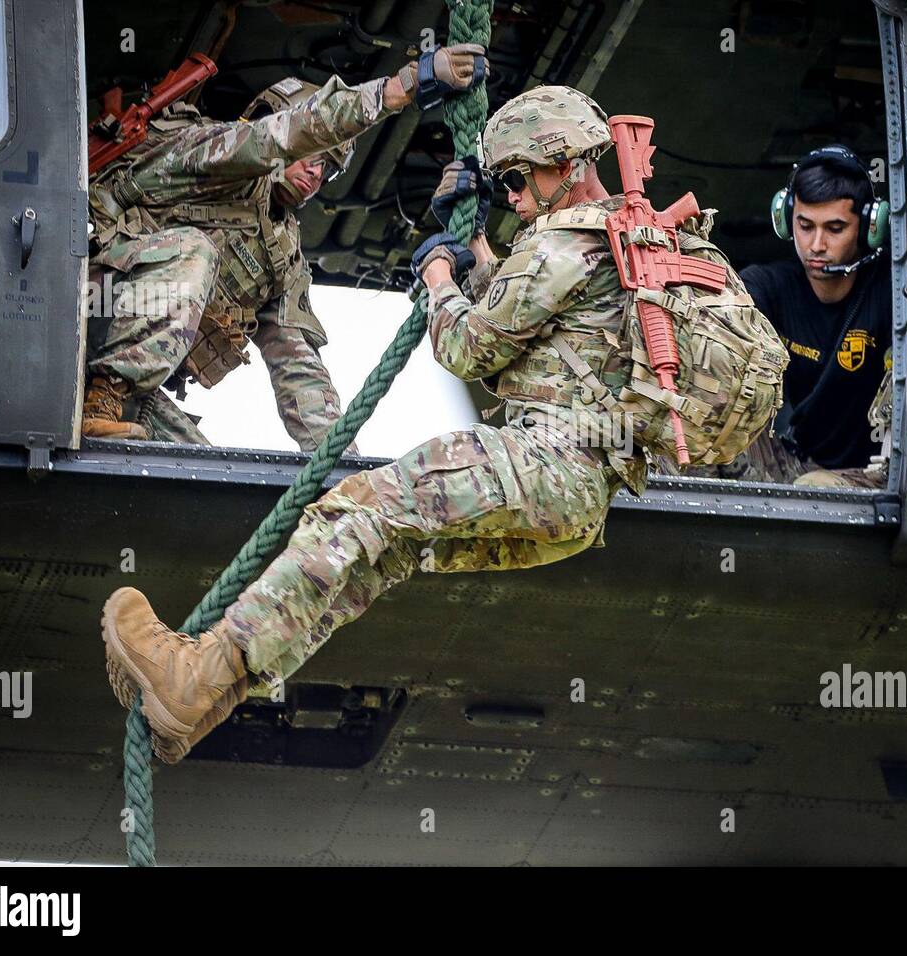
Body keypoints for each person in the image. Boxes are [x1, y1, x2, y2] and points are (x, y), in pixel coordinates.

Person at [99, 86, 770, 764]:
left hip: (545, 462)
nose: (512, 195)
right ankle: (205, 698)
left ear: (561, 163)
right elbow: (535, 337)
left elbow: (468, 351)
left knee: (355, 512)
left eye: (515, 178)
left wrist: (441, 274)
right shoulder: (639, 243)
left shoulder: (567, 241)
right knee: (377, 556)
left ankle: (195, 674)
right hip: (577, 502)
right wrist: (478, 249)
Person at [81, 44, 488, 448]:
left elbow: (298, 368)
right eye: (312, 156)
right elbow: (281, 136)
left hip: (118, 380)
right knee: (196, 250)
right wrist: (402, 87)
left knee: (200, 481)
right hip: (79, 307)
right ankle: (102, 402)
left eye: (328, 169)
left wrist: (339, 471)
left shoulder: (281, 255)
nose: (316, 171)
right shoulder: (217, 155)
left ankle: (104, 402)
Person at [676, 146, 892, 489]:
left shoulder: (890, 297)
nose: (816, 245)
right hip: (792, 457)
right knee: (687, 443)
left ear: (869, 228)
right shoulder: (769, 285)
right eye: (805, 226)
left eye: (835, 229)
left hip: (868, 473)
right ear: (786, 219)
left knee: (815, 491)